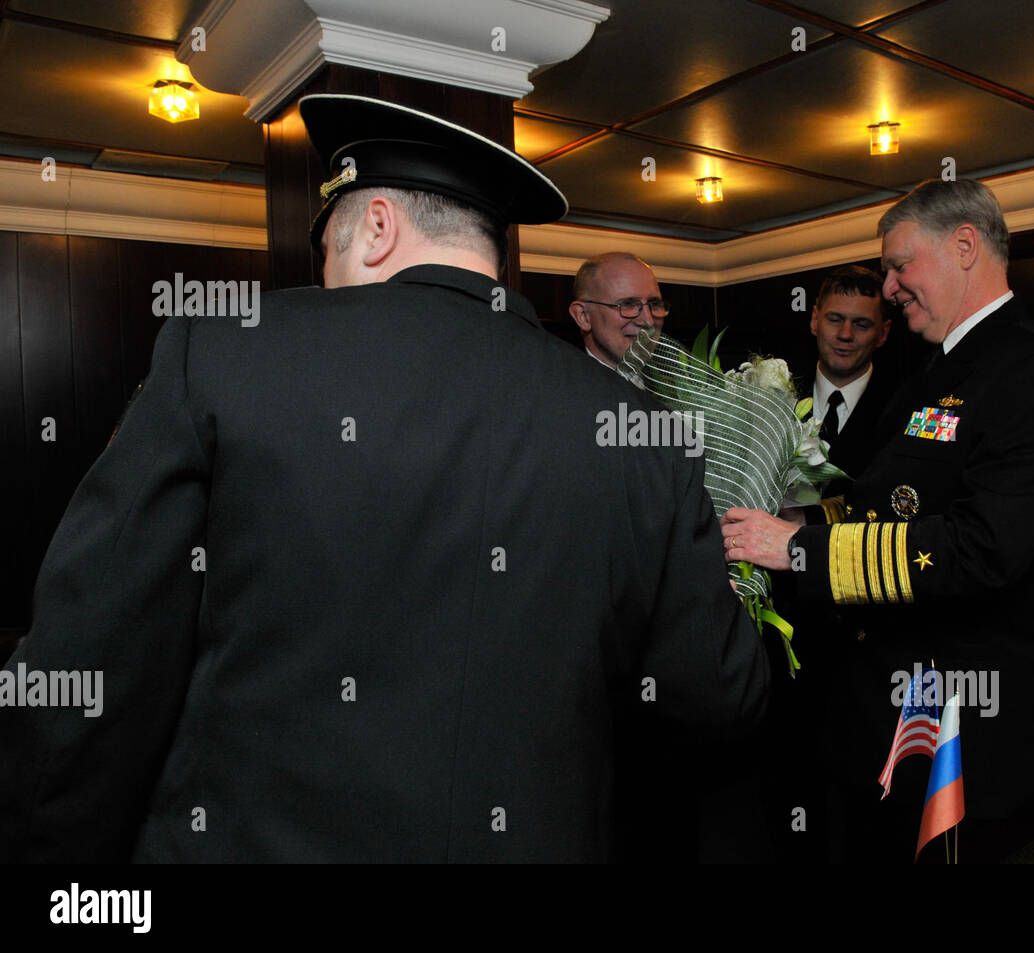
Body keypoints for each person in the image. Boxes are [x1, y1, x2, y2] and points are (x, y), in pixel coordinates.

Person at [0, 94, 768, 863]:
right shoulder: (640, 430)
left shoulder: (220, 358)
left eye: (327, 257)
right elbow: (720, 699)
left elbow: (84, 674)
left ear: (374, 226)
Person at [722, 178, 1034, 862]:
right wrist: (788, 515)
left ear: (964, 246)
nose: (889, 286)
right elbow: (886, 500)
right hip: (886, 695)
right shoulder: (933, 372)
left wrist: (801, 549)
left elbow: (983, 550)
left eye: (900, 265)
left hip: (964, 717)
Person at [806, 264, 896, 498]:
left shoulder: (902, 408)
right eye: (835, 319)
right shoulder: (771, 397)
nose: (845, 334)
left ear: (883, 333)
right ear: (815, 320)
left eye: (861, 324)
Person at [568, 252, 668, 368]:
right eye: (628, 304)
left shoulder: (675, 382)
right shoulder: (555, 383)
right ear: (583, 316)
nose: (649, 321)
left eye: (654, 304)